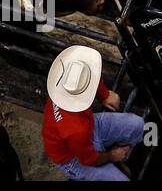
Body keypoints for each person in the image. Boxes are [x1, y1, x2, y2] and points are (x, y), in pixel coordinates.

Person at [43, 45, 146, 181]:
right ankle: (118, 161)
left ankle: (130, 158)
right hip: (72, 157)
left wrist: (105, 94)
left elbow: (87, 77)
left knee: (137, 124)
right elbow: (89, 159)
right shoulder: (74, 130)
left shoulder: (64, 84)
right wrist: (111, 155)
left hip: (89, 126)